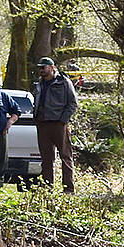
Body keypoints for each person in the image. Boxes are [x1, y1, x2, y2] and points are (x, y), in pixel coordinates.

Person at [33, 57, 81, 193]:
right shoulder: (39, 84)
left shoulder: (64, 82)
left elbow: (73, 103)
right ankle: (47, 188)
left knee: (65, 156)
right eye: (40, 68)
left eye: (44, 67)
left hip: (59, 124)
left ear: (52, 67)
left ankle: (68, 189)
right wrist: (35, 118)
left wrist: (63, 120)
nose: (41, 70)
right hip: (42, 124)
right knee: (46, 159)